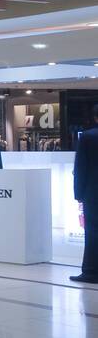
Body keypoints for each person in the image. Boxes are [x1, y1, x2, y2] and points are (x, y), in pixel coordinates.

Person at [72, 106, 98, 283]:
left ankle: (91, 271)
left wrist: (78, 193)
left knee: (93, 231)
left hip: (93, 192)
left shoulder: (88, 137)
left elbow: (81, 168)